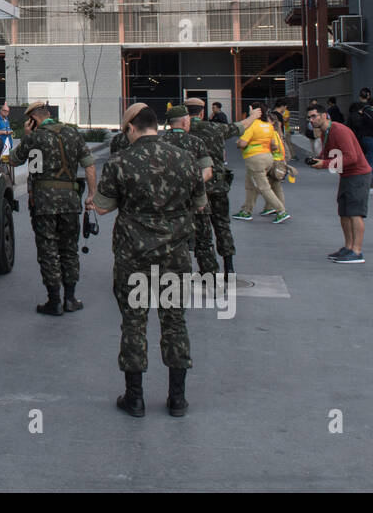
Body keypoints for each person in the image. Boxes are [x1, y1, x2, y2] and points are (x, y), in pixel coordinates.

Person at [94, 106, 207, 418]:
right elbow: (200, 203)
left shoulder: (120, 162)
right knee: (174, 322)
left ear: (131, 128)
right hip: (176, 256)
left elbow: (102, 208)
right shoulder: (186, 159)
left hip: (134, 258)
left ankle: (135, 399)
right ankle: (178, 399)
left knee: (134, 322)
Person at [11, 100, 96, 315]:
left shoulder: (35, 138)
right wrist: (92, 196)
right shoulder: (72, 134)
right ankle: (70, 298)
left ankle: (54, 301)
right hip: (70, 200)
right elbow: (90, 166)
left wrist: (27, 136)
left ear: (32, 119)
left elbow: (14, 160)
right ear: (48, 113)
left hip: (43, 202)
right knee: (69, 249)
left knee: (48, 249)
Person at [186, 98, 261, 277]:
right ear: (203, 112)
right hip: (218, 185)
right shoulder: (215, 128)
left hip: (197, 187)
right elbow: (240, 126)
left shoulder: (184, 132)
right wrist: (253, 116)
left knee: (202, 230)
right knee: (222, 225)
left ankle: (208, 271)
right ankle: (229, 267)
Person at [306, 103, 372, 263]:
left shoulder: (339, 130)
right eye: (309, 117)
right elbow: (328, 153)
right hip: (346, 175)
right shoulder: (325, 132)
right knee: (344, 212)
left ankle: (357, 251)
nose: (311, 120)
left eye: (314, 116)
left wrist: (325, 164)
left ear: (323, 115)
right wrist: (319, 159)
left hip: (358, 175)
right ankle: (348, 247)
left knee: (355, 213)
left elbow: (352, 157)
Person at [161, 105, 216, 275]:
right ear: (185, 121)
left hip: (167, 203)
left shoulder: (159, 143)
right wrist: (190, 186)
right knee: (204, 242)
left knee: (168, 243)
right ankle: (211, 281)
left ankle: (168, 280)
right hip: (196, 201)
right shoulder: (196, 142)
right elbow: (207, 172)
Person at [233, 102, 288, 223]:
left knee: (264, 187)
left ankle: (281, 211)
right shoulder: (268, 126)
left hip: (254, 159)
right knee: (250, 186)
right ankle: (246, 210)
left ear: (252, 110)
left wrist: (238, 143)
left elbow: (242, 143)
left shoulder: (252, 125)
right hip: (268, 158)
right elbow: (274, 145)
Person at [265, 109, 292, 216]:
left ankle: (280, 209)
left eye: (266, 120)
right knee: (273, 186)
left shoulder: (272, 133)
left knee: (271, 186)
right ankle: (270, 207)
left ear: (272, 122)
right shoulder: (277, 132)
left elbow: (275, 147)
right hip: (278, 161)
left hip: (275, 162)